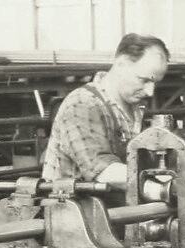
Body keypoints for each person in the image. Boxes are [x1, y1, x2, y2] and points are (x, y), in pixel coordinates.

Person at [41, 33, 170, 186]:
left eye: (155, 83)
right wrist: (167, 182)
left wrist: (181, 172)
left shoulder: (135, 107)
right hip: (72, 206)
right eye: (144, 80)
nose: (150, 92)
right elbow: (103, 171)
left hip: (115, 204)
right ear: (122, 64)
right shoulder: (82, 104)